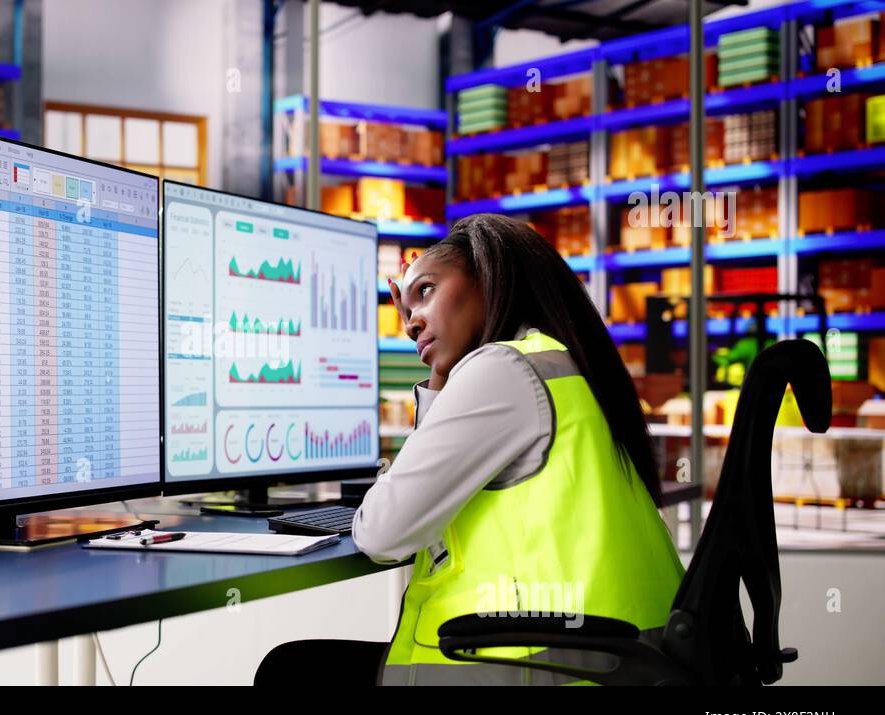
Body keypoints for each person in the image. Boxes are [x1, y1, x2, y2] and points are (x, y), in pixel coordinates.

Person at [255, 213, 685, 686]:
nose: (412, 319)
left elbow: (380, 533)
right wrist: (441, 371)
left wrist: (440, 378)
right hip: (620, 660)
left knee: (289, 670)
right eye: (407, 305)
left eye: (427, 291)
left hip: (535, 664)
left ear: (489, 281)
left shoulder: (502, 368)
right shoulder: (562, 364)